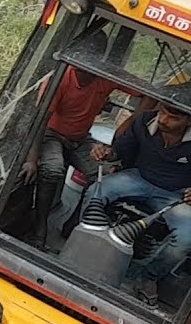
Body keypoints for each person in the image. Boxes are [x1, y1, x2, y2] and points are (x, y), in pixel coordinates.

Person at [86, 97, 191, 304]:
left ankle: (148, 276)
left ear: (190, 120)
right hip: (138, 177)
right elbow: (119, 151)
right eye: (162, 112)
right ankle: (87, 244)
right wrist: (106, 152)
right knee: (97, 190)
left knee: (186, 239)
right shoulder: (144, 121)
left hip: (175, 193)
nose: (164, 120)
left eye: (173, 118)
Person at [20, 33, 142, 248]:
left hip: (80, 138)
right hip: (51, 135)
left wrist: (132, 123)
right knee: (53, 168)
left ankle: (74, 223)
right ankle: (40, 228)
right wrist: (31, 159)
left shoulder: (106, 76)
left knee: (103, 176)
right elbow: (39, 123)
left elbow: (146, 92)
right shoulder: (58, 79)